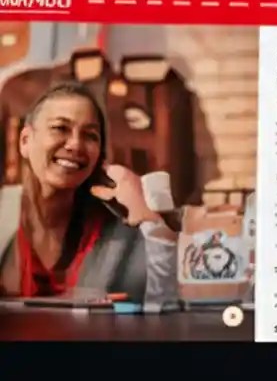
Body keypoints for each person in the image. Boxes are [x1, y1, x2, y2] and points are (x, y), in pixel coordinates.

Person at [0, 82, 177, 301]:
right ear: (25, 141)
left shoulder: (120, 227)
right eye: (60, 128)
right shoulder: (5, 216)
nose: (75, 144)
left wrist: (150, 221)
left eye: (90, 135)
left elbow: (160, 307)